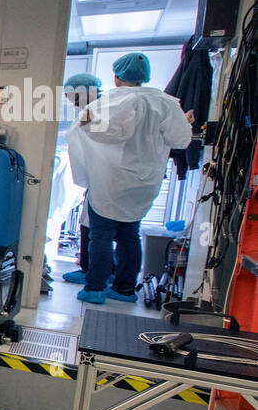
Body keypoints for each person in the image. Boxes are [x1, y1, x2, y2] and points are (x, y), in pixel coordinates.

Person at [65, 52, 193, 305]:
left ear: (116, 76)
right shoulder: (166, 103)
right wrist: (186, 123)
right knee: (129, 234)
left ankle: (95, 288)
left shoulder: (113, 101)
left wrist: (88, 124)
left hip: (111, 179)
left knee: (100, 234)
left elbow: (107, 134)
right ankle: (124, 289)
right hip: (145, 181)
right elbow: (180, 139)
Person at [58, 73, 102, 285]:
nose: (73, 104)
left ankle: (96, 275)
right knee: (91, 225)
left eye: (74, 99)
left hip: (105, 178)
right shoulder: (93, 109)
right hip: (97, 178)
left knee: (99, 229)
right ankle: (91, 268)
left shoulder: (101, 109)